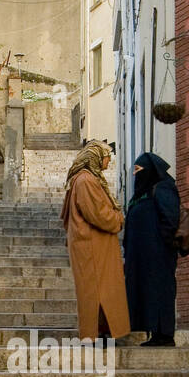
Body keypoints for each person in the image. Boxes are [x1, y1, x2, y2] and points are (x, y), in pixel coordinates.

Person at [60, 141, 131, 342]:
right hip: (92, 245)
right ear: (97, 158)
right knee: (97, 290)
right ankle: (94, 334)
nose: (110, 160)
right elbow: (97, 213)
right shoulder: (86, 180)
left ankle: (100, 331)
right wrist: (118, 219)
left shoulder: (84, 179)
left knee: (101, 290)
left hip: (93, 243)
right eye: (107, 156)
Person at [123, 152, 181, 346]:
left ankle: (164, 334)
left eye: (139, 170)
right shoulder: (139, 195)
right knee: (144, 291)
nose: (136, 175)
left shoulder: (163, 187)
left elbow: (170, 218)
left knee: (160, 290)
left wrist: (161, 244)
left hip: (159, 254)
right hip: (139, 257)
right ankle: (152, 332)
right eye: (134, 171)